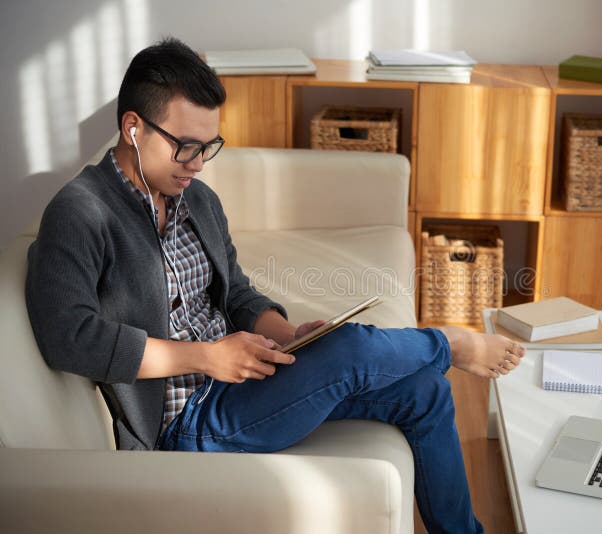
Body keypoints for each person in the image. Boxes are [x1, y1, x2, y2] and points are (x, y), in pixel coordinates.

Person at [25, 37, 524, 534]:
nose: (198, 164)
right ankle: (452, 343)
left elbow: (237, 295)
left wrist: (286, 336)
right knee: (351, 349)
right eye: (186, 146)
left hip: (242, 381)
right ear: (133, 127)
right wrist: (206, 356)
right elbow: (68, 336)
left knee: (424, 391)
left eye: (208, 147)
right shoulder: (80, 212)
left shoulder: (196, 201)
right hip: (187, 423)